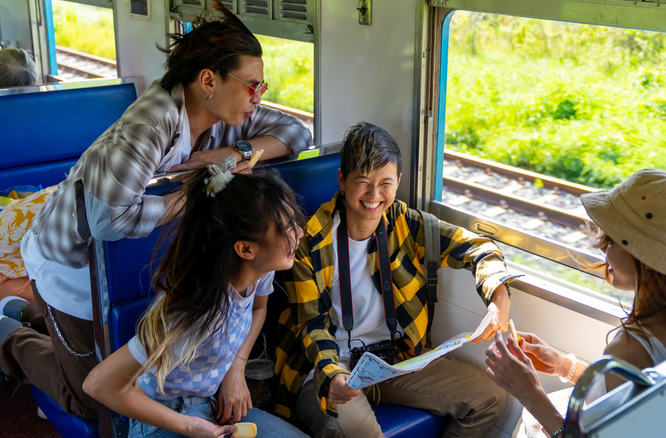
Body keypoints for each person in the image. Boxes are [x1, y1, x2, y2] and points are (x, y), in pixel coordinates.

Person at [0, 0, 311, 420]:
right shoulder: (151, 122)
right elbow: (110, 220)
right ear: (209, 80)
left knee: (126, 373)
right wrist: (194, 192)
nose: (260, 97)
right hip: (70, 260)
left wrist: (232, 153)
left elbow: (297, 131)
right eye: (253, 85)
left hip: (132, 260)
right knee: (93, 403)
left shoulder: (227, 116)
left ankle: (31, 315)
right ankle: (11, 336)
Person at [274, 122, 518, 438]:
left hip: (396, 362)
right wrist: (332, 375)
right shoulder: (310, 241)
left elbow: (477, 247)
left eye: (385, 183)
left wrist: (499, 297)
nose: (374, 195)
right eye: (362, 182)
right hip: (333, 369)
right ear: (342, 181)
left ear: (398, 181)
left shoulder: (409, 225)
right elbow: (312, 325)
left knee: (490, 397)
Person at [485, 169, 666, 438]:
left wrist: (530, 393)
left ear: (645, 258)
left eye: (610, 241)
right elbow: (624, 393)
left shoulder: (631, 349)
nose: (602, 250)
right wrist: (562, 365)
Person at [83, 160, 307, 438]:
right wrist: (190, 426)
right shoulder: (193, 309)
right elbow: (99, 384)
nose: (300, 233)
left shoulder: (259, 271)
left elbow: (259, 308)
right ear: (246, 248)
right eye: (286, 229)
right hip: (162, 415)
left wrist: (235, 369)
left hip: (210, 401)